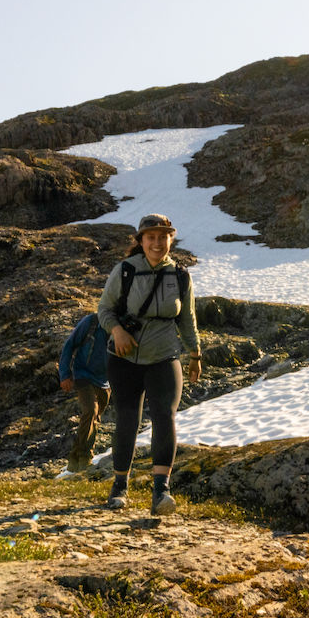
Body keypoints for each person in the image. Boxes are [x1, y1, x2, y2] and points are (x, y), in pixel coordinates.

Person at [97, 213, 201, 514]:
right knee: (127, 419)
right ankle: (119, 486)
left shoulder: (180, 276)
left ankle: (160, 492)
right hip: (123, 359)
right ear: (140, 241)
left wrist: (195, 354)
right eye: (151, 237)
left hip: (165, 357)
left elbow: (187, 319)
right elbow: (104, 310)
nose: (157, 242)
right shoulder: (126, 271)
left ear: (171, 239)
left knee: (164, 417)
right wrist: (116, 331)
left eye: (163, 236)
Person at [57, 312, 110, 472]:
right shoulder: (91, 322)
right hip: (83, 375)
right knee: (90, 411)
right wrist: (65, 374)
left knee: (94, 419)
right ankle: (86, 457)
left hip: (106, 381)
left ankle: (74, 459)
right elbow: (69, 345)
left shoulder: (124, 325)